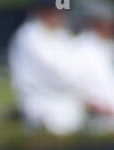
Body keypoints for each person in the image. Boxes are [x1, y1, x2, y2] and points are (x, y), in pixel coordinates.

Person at [9, 1, 88, 135]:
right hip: (44, 106)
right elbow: (59, 73)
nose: (61, 16)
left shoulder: (61, 34)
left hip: (68, 105)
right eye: (56, 12)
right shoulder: (30, 37)